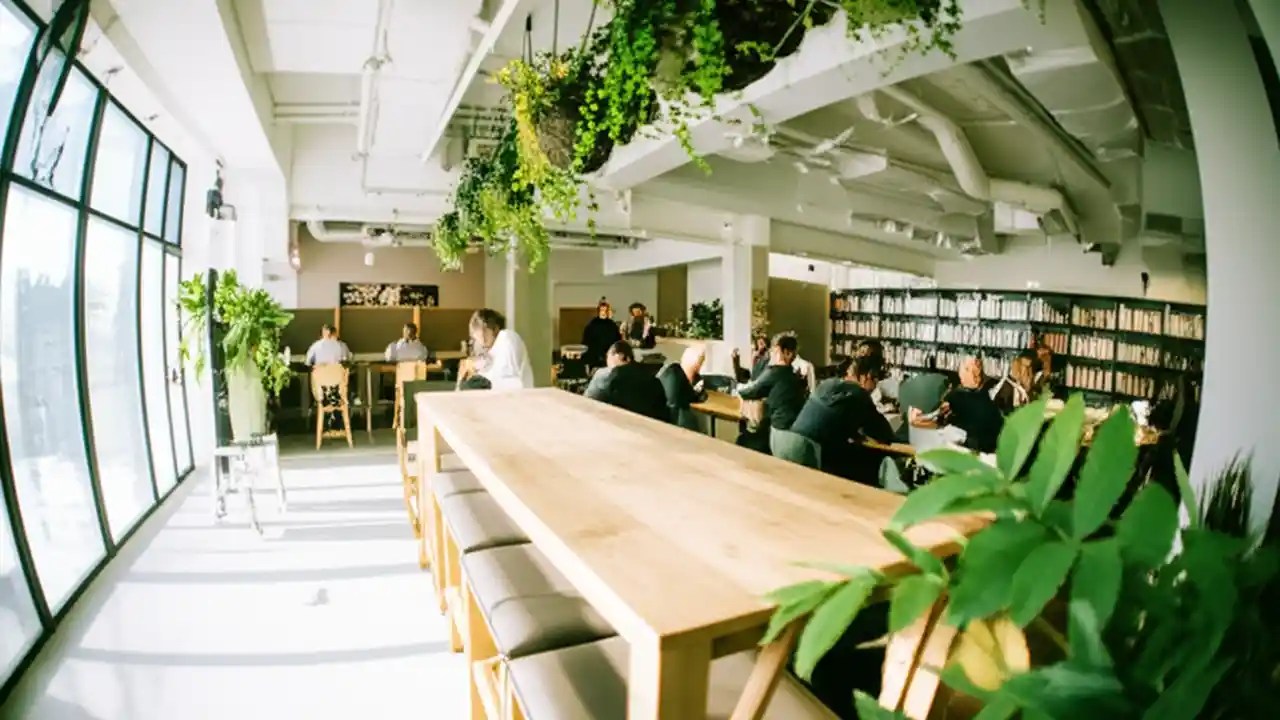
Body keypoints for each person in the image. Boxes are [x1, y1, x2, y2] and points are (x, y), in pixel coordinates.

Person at [790, 356, 896, 484]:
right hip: (818, 454)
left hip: (794, 442)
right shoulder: (859, 394)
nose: (875, 387)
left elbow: (831, 416)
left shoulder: (827, 384)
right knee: (869, 464)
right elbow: (884, 435)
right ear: (865, 377)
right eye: (875, 380)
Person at [912, 356, 1004, 454]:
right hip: (985, 453)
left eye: (975, 369)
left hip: (964, 451)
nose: (972, 374)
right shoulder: (987, 398)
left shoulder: (957, 397)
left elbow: (935, 420)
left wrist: (917, 419)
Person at [735, 333, 807, 454]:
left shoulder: (775, 372)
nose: (772, 354)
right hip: (796, 429)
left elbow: (750, 391)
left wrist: (737, 388)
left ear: (787, 353)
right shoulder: (795, 376)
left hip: (780, 429)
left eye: (775, 351)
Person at [585, 341, 670, 422]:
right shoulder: (652, 376)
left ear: (620, 356)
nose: (607, 362)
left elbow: (589, 401)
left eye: (608, 356)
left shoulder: (607, 375)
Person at [461, 309, 534, 390]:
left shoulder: (507, 338)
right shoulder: (496, 346)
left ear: (495, 328)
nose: (480, 342)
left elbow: (507, 379)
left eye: (483, 337)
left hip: (517, 397)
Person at [306, 324, 351, 431]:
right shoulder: (340, 346)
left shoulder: (315, 346)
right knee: (342, 380)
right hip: (338, 386)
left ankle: (319, 415)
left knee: (315, 379)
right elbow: (346, 359)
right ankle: (338, 412)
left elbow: (307, 362)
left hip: (321, 388)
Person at [658, 346, 708, 431]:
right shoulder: (678, 379)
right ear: (697, 364)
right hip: (675, 422)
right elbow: (693, 397)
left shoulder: (670, 371)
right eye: (701, 362)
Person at [581, 300, 622, 368]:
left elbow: (617, 341)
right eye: (602, 310)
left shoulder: (612, 325)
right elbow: (586, 341)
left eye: (606, 310)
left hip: (609, 355)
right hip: (594, 356)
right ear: (598, 311)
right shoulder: (592, 325)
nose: (604, 312)